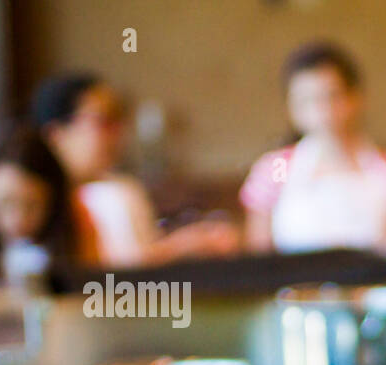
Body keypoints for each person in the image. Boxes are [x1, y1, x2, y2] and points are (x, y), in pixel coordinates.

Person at [31, 72, 239, 266]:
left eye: (119, 120)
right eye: (104, 121)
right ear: (56, 134)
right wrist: (185, 244)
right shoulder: (39, 202)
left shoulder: (121, 188)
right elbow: (120, 272)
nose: (118, 133)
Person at [240, 42, 386, 253]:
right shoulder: (273, 169)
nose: (322, 111)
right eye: (306, 101)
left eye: (331, 97)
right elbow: (260, 256)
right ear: (290, 107)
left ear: (355, 98)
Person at [0, 127, 98, 293]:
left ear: (54, 202)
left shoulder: (75, 215)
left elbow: (90, 292)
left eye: (32, 205)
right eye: (3, 203)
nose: (17, 220)